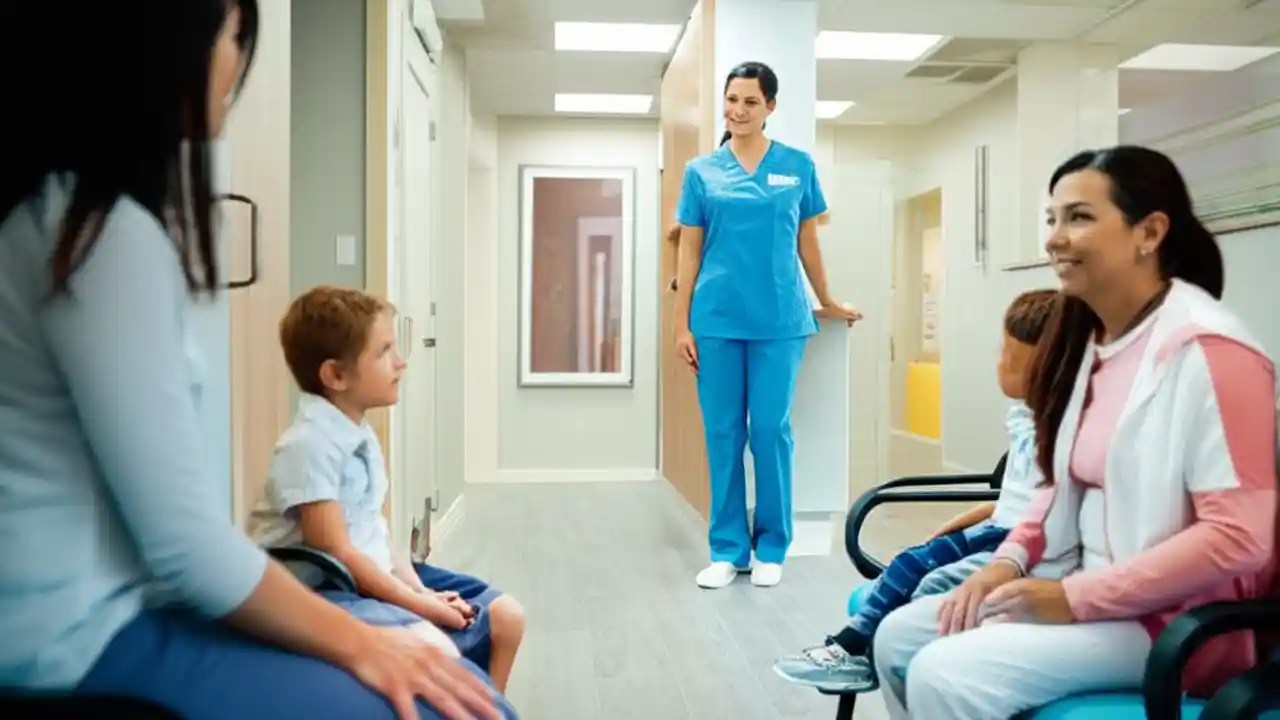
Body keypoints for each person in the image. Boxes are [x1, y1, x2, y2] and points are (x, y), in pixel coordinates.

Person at [0, 3, 511, 718]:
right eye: (235, 38)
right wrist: (364, 641)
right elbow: (187, 545)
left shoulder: (75, 221)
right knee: (447, 702)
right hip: (76, 640)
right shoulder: (97, 236)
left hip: (115, 612)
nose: (237, 65)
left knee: (453, 672)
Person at [872, 146, 1278, 719]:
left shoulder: (1213, 352)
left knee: (948, 673)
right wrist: (1004, 565)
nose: (1055, 238)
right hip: (1083, 589)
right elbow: (1056, 490)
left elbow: (1240, 536)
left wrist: (1071, 599)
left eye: (1079, 217)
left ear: (1149, 232)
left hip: (1170, 621)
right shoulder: (1094, 346)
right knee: (899, 635)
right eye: (1052, 218)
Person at [773, 288, 1056, 692]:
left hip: (1014, 544)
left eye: (1008, 355)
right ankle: (860, 649)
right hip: (1000, 530)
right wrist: (956, 526)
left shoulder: (1058, 433)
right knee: (913, 561)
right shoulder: (1027, 419)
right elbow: (1012, 500)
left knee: (921, 578)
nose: (998, 362)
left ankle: (859, 651)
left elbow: (1034, 515)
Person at [250, 286, 526, 693]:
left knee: (508, 617)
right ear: (336, 375)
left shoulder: (355, 433)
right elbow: (337, 553)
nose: (401, 362)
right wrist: (421, 605)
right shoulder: (309, 446)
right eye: (384, 352)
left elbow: (373, 528)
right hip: (327, 589)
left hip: (372, 570)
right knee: (441, 656)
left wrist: (421, 591)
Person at [673, 60, 862, 590]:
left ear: (770, 107)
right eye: (732, 100)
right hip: (715, 320)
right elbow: (688, 253)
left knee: (771, 431)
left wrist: (827, 299)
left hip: (780, 319)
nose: (738, 110)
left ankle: (772, 545)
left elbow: (808, 242)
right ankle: (727, 549)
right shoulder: (701, 172)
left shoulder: (797, 166)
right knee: (722, 433)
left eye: (751, 102)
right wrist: (680, 325)